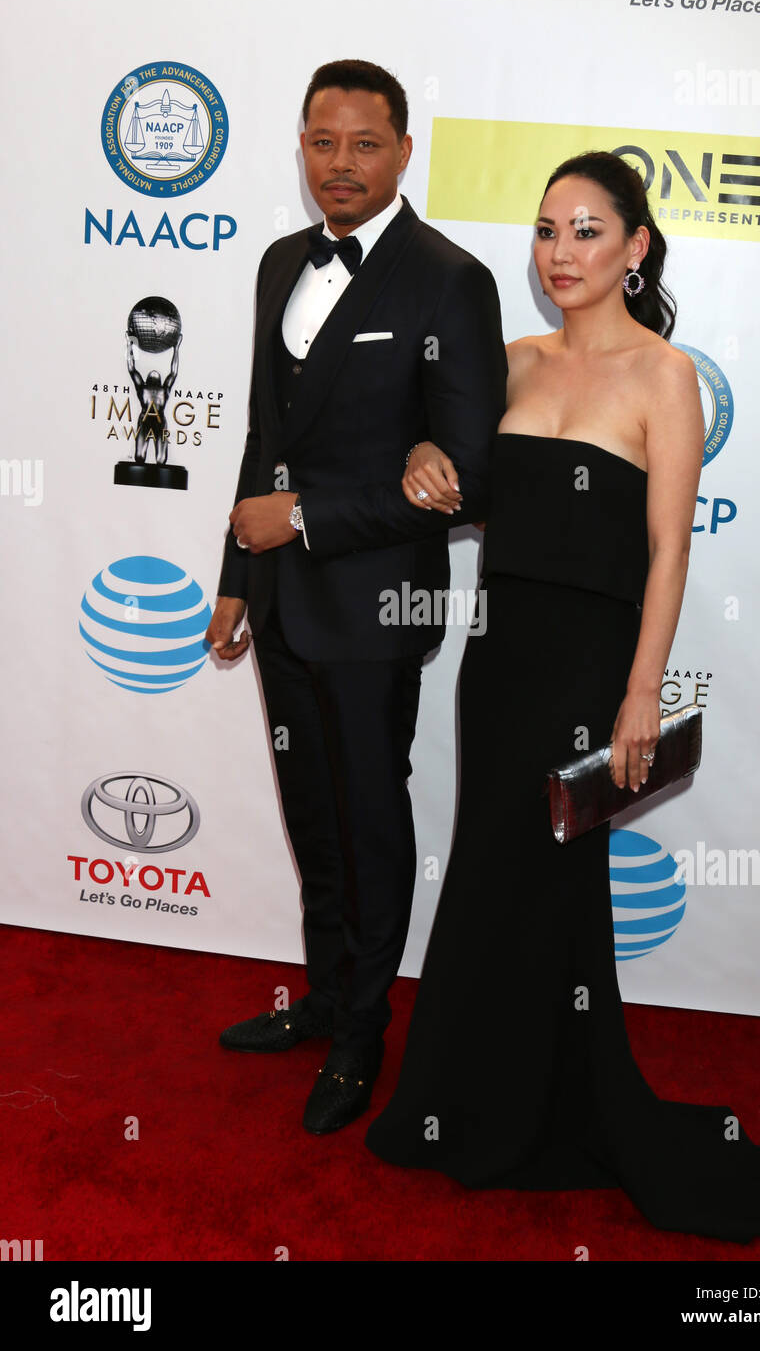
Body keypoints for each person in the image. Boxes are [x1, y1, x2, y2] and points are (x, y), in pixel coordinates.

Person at [364, 151, 760, 1242]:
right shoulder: (509, 362)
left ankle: (547, 1106)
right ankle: (464, 1106)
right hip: (499, 654)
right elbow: (460, 488)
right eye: (547, 230)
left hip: (591, 666)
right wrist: (425, 463)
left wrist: (640, 694)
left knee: (552, 888)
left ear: (635, 246)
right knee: (486, 874)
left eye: (587, 230)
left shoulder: (662, 378)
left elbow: (665, 553)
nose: (561, 251)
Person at [206, 60, 507, 1135]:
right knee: (311, 819)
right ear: (299, 146)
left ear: (403, 152)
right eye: (321, 142)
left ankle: (361, 1031)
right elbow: (261, 432)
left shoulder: (447, 279)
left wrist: (306, 519)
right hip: (281, 600)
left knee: (370, 820)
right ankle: (323, 993)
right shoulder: (278, 262)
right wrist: (239, 576)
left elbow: (464, 470)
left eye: (364, 144)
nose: (340, 163)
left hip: (378, 607)